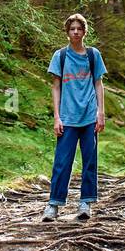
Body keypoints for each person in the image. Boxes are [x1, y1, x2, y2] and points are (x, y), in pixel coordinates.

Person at [42, 13, 106, 222]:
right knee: (62, 162)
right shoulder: (59, 56)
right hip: (67, 118)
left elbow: (98, 84)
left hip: (89, 116)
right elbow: (56, 87)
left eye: (79, 28)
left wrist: (101, 112)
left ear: (84, 31)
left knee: (89, 161)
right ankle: (54, 205)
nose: (76, 32)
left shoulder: (93, 54)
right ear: (67, 32)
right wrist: (57, 117)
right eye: (72, 29)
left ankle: (85, 203)